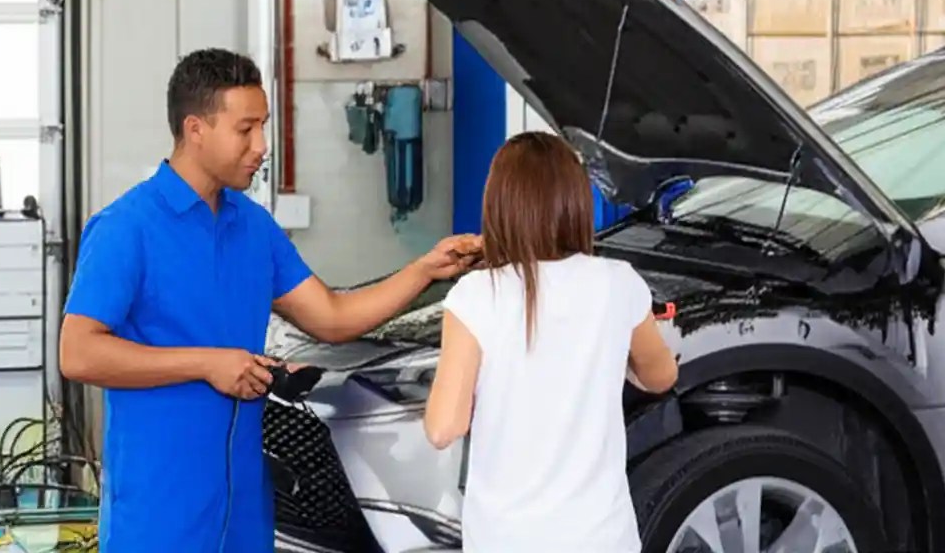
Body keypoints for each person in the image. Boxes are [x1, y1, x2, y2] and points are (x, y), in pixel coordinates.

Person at [58, 47, 482, 553]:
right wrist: (206, 365)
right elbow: (77, 352)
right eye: (245, 129)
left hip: (246, 513)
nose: (262, 145)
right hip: (157, 512)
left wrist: (424, 270)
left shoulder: (254, 228)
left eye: (263, 126)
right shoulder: (125, 229)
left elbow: (332, 317)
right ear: (195, 129)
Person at [422, 131, 679, 552]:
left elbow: (442, 428)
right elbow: (661, 377)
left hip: (505, 540)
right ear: (576, 203)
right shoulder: (619, 283)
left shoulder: (476, 296)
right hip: (601, 539)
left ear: (500, 205)